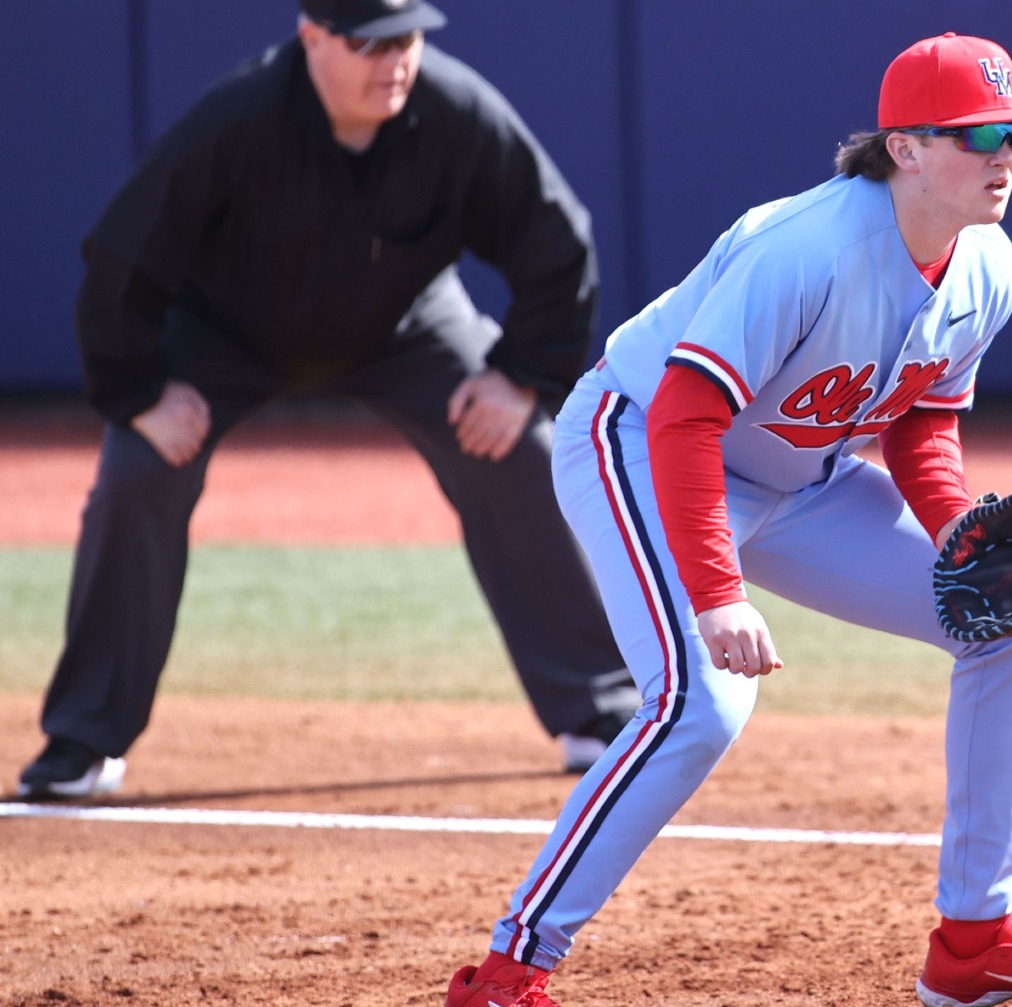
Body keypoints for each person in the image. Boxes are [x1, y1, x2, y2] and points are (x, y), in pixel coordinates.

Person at [430, 32, 1012, 1007]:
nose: (1004, 156)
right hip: (638, 445)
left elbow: (919, 423)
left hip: (796, 479)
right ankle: (501, 981)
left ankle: (977, 942)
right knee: (700, 703)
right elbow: (681, 417)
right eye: (979, 134)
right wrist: (716, 593)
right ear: (903, 148)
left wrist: (959, 539)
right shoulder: (805, 249)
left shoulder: (989, 264)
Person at [16, 0, 644, 800]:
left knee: (517, 449)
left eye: (408, 39)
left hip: (404, 323)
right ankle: (84, 739)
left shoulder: (455, 110)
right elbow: (121, 256)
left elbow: (558, 240)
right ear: (311, 37)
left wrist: (521, 376)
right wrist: (139, 392)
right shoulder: (237, 118)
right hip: (224, 333)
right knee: (139, 470)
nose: (394, 61)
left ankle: (600, 709)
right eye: (367, 42)